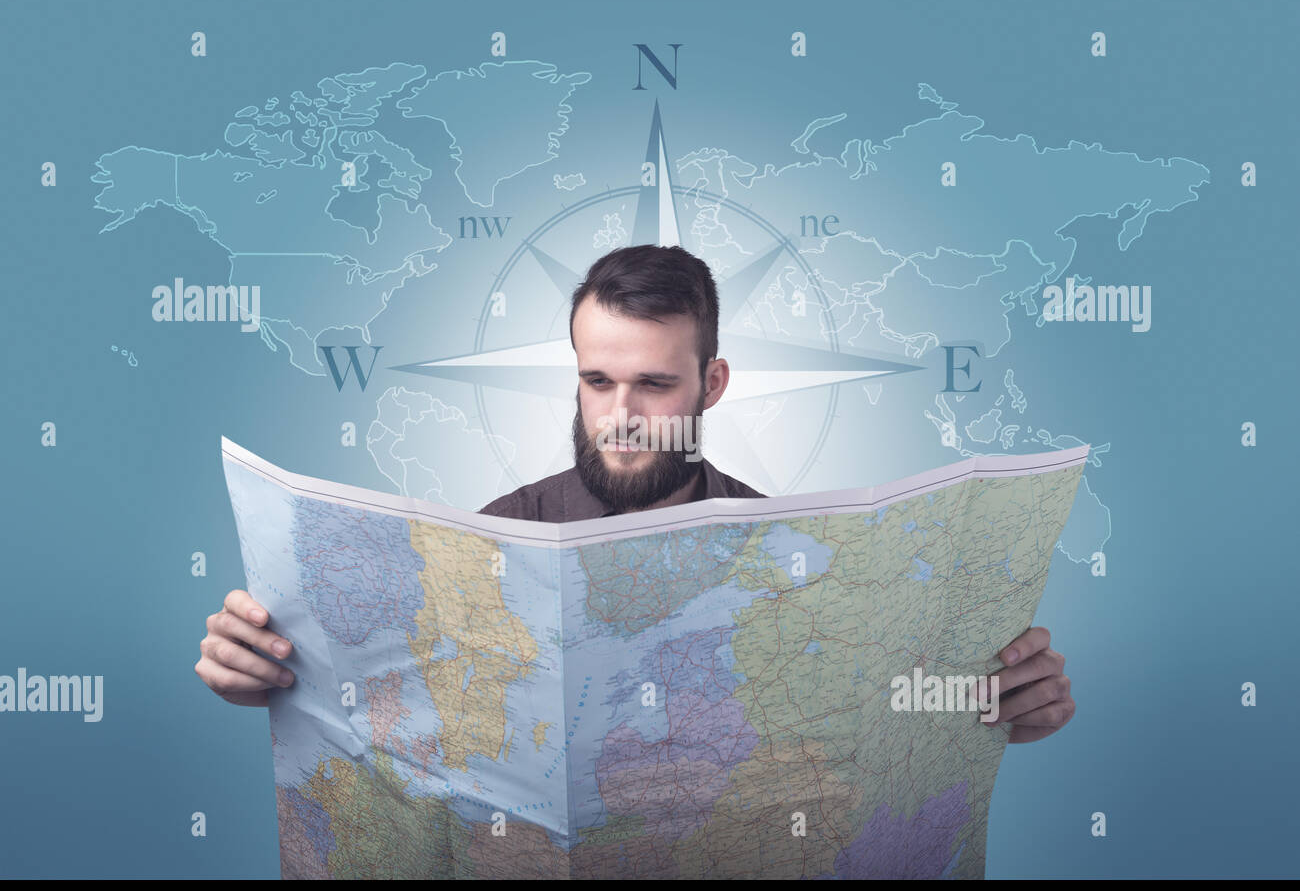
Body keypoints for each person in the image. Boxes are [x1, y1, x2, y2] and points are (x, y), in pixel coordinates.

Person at [197, 244, 1074, 743]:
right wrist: (272, 673)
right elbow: (394, 700)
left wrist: (988, 703)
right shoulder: (491, 538)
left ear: (713, 382)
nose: (621, 416)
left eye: (654, 384)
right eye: (596, 380)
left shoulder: (791, 558)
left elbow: (865, 708)